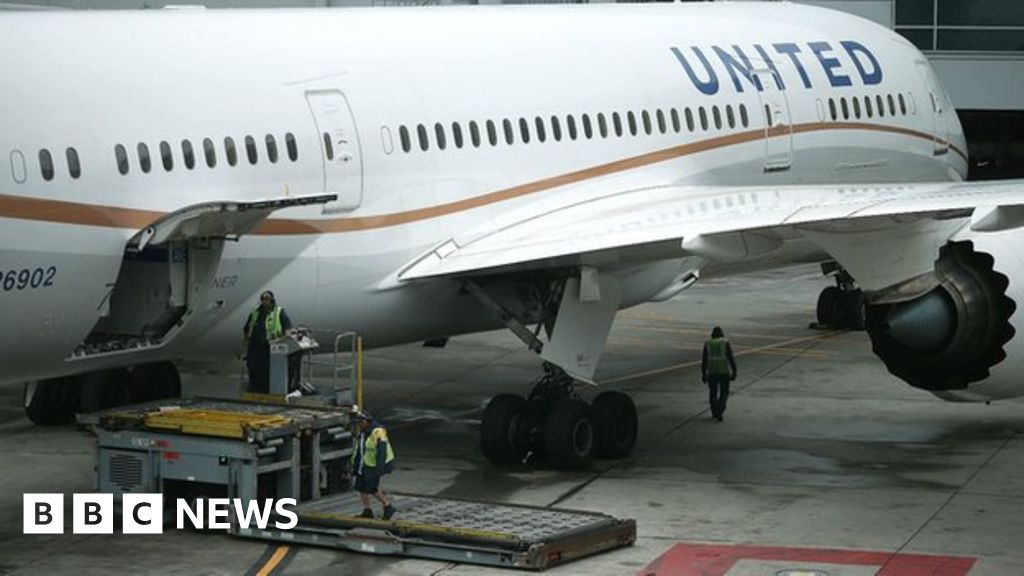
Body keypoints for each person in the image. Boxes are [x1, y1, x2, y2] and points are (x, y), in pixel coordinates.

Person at [242, 290, 292, 393]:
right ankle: (254, 387)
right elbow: (247, 328)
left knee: (266, 369)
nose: (265, 302)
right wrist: (246, 340)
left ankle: (265, 389)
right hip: (254, 345)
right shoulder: (255, 312)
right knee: (252, 367)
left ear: (272, 300)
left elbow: (288, 332)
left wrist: (277, 341)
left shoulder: (279, 312)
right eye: (263, 300)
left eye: (267, 300)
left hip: (269, 346)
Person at [351, 411, 396, 520]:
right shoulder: (363, 432)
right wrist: (355, 466)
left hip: (373, 465)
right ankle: (367, 510)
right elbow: (360, 450)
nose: (359, 424)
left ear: (367, 421)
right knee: (361, 487)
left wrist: (379, 468)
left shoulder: (378, 432)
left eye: (361, 422)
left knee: (372, 488)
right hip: (364, 464)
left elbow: (382, 451)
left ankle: (388, 506)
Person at [701, 326, 737, 422]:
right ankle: (720, 410)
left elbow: (704, 361)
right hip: (724, 371)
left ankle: (714, 411)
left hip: (712, 372)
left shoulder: (708, 343)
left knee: (713, 392)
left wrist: (704, 374)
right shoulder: (725, 342)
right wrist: (734, 371)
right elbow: (731, 358)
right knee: (724, 392)